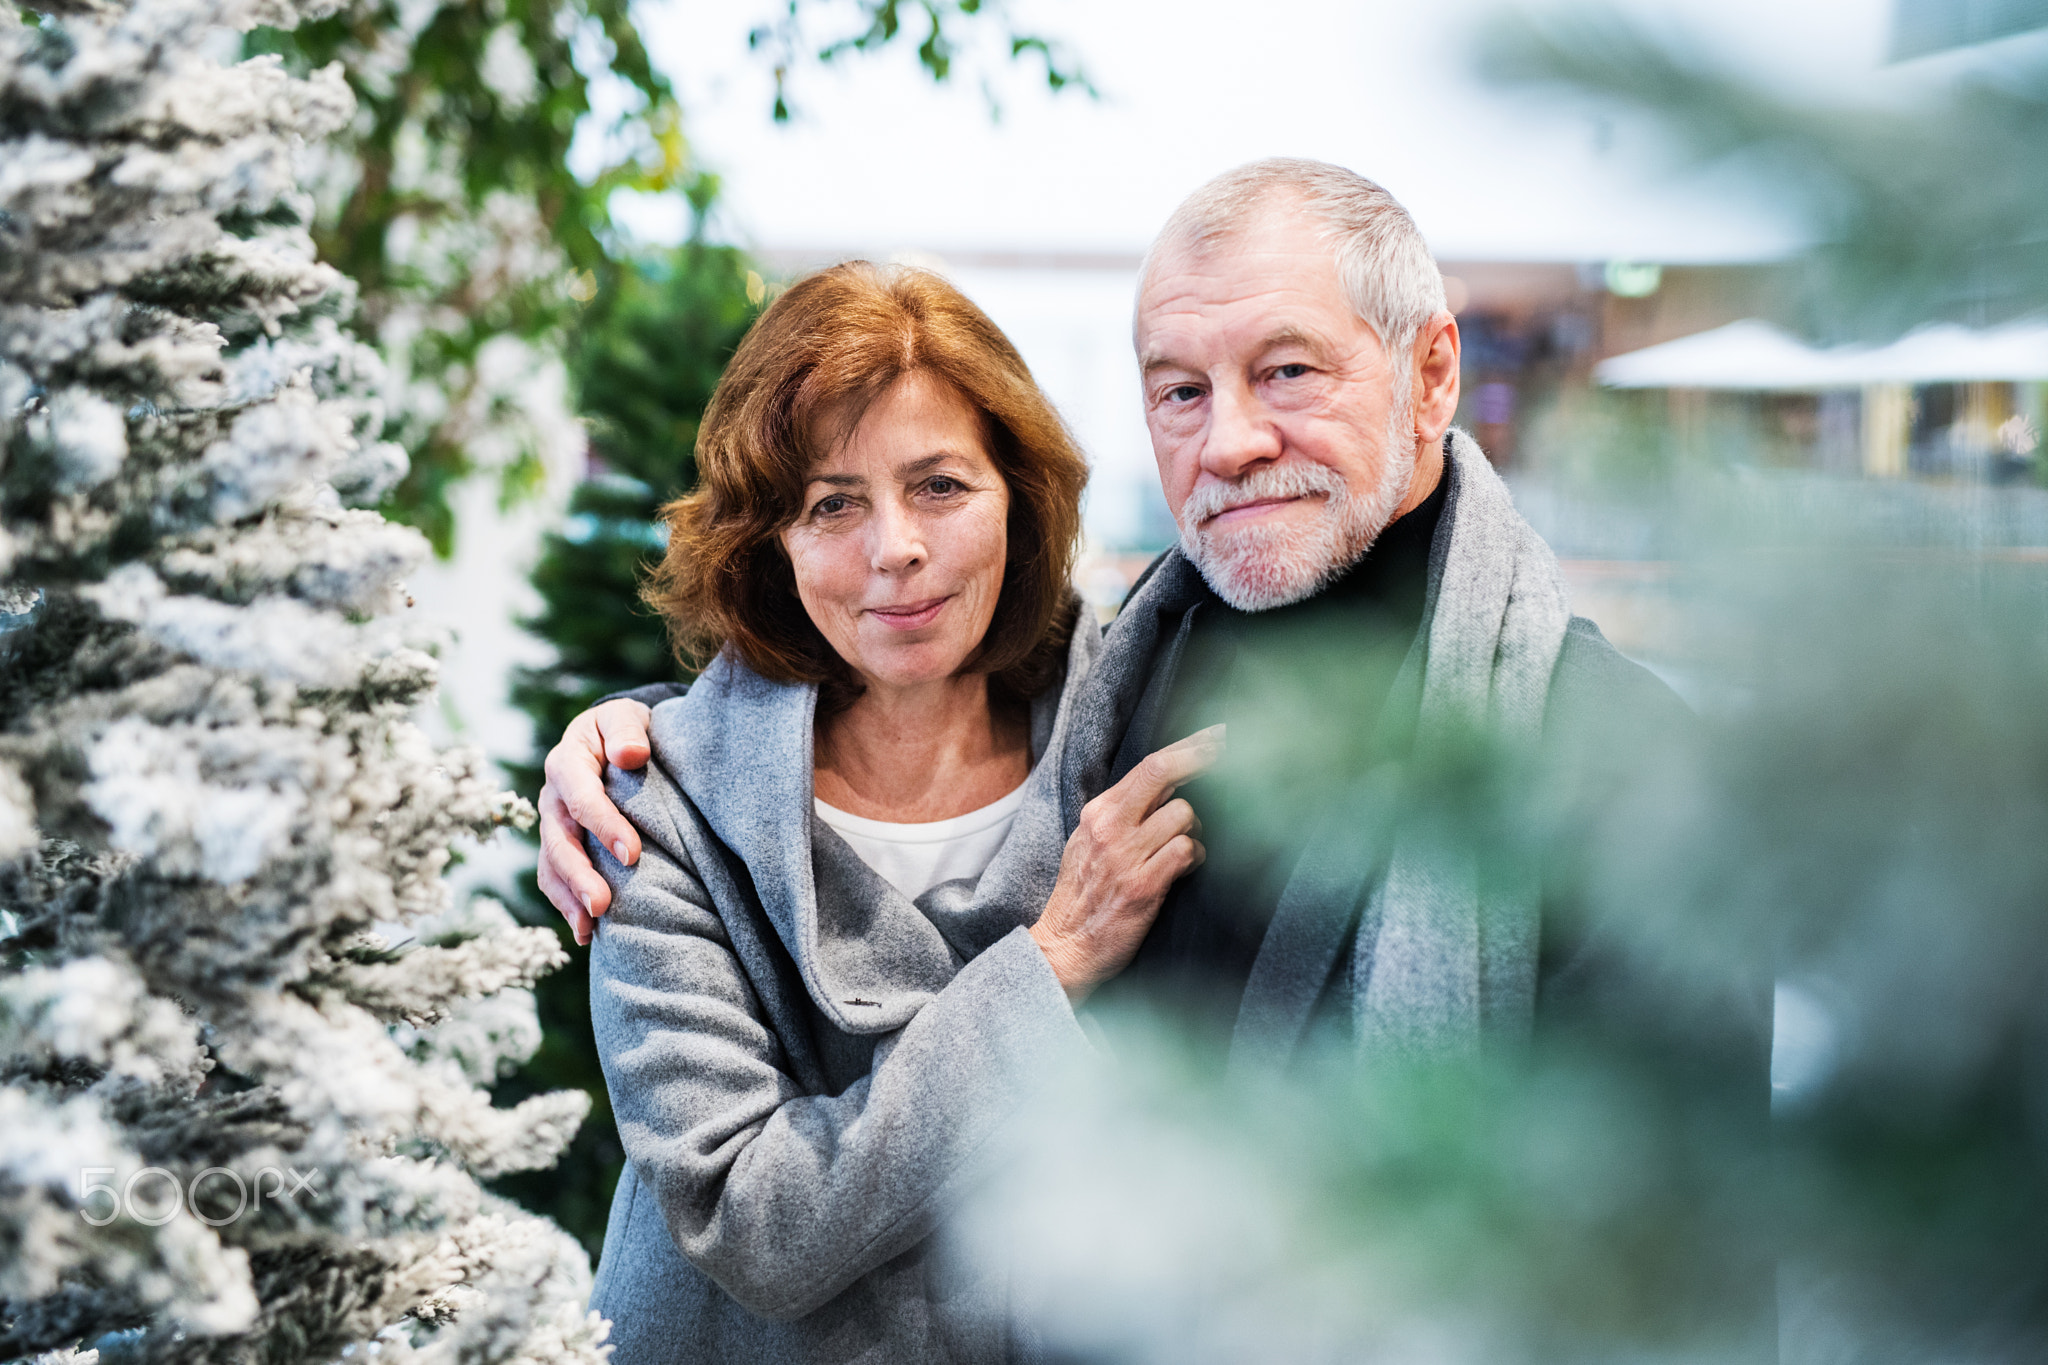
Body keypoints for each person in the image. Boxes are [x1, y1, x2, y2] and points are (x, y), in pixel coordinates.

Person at [579, 261, 1220, 1363]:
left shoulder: (1134, 735)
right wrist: (1053, 962)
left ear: (1018, 496)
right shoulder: (657, 817)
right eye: (833, 504)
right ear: (766, 540)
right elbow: (756, 1223)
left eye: (938, 486)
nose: (896, 550)